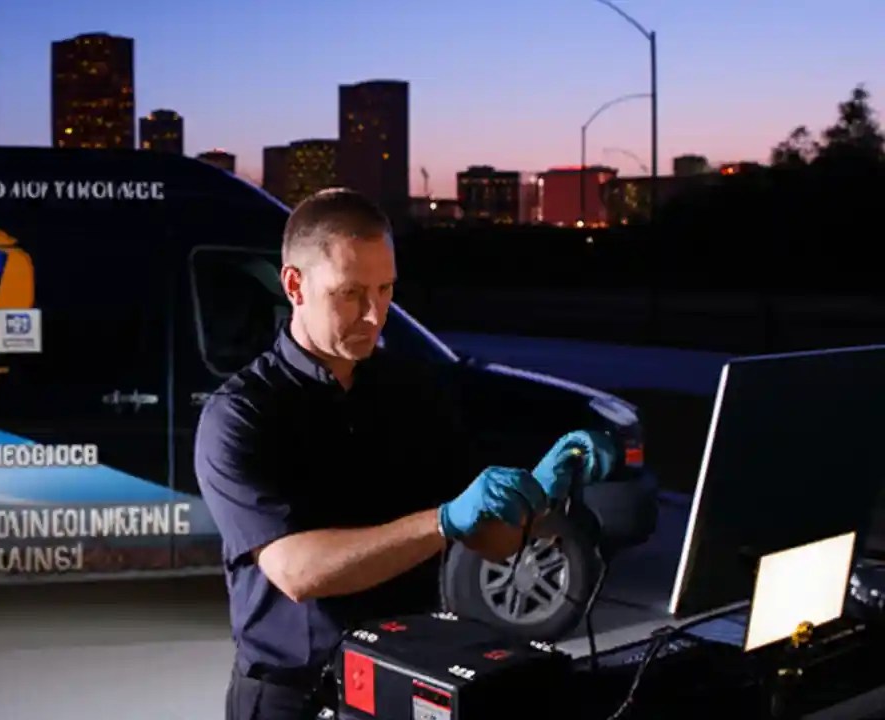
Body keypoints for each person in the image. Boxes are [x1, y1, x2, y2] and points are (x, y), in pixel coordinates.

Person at [194, 188, 615, 720]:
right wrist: (442, 520)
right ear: (294, 286)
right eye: (350, 293)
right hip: (292, 696)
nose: (374, 315)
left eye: (386, 289)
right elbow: (299, 572)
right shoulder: (241, 416)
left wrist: (543, 494)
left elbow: (489, 539)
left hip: (405, 682)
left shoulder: (413, 391)